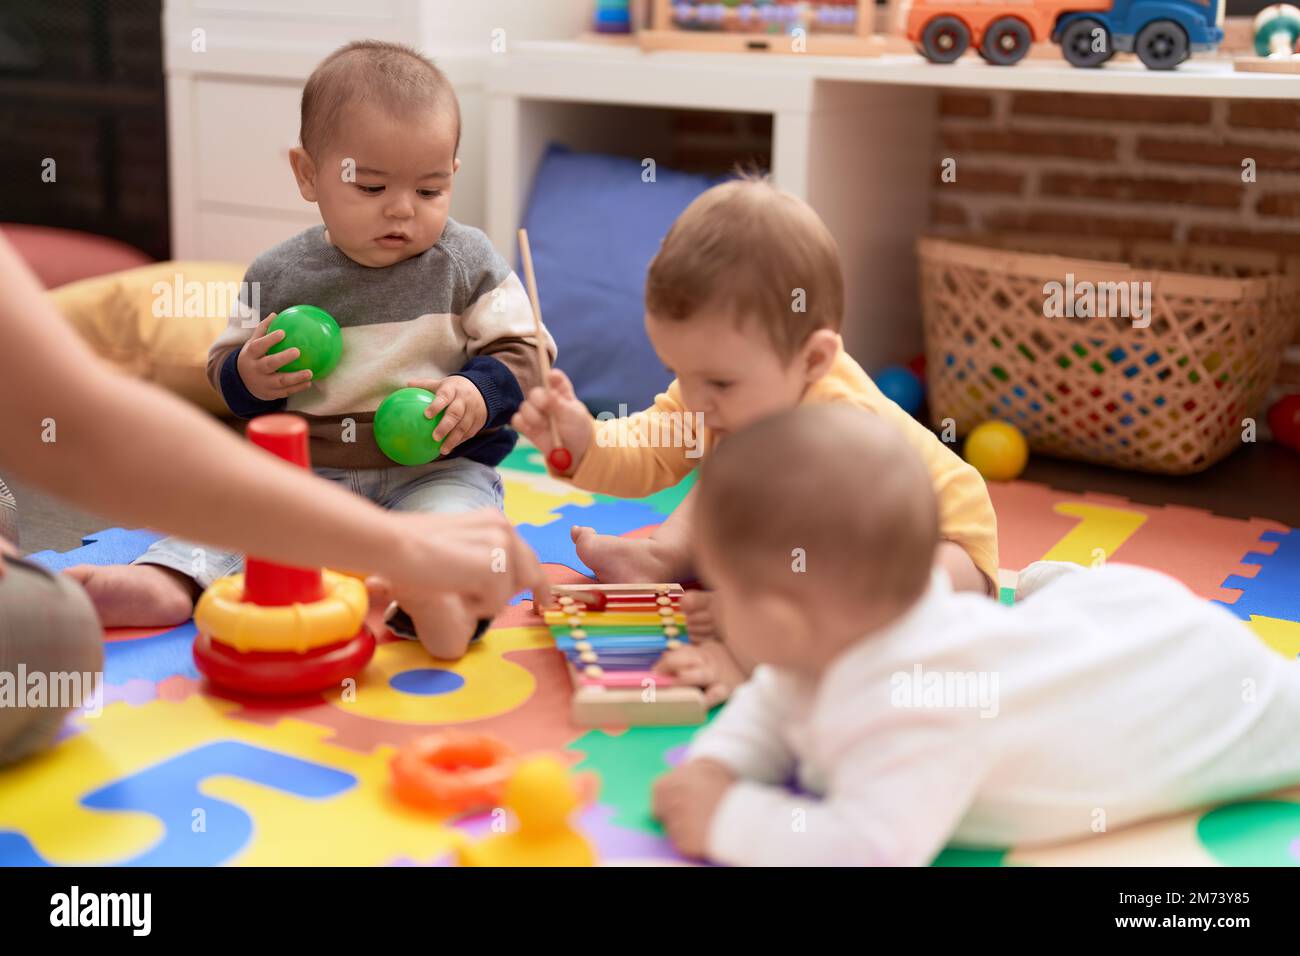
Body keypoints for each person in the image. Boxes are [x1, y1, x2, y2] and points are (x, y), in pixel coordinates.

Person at [652, 405, 1300, 865]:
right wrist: (718, 762)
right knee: (1068, 618)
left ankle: (1062, 588)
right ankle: (1057, 585)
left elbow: (869, 847)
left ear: (783, 620)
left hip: (1198, 686)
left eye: (719, 584)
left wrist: (727, 820)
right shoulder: (831, 642)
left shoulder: (918, 706)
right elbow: (777, 698)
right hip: (1108, 623)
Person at [0, 232, 545, 767]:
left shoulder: (468, 261)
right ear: (309, 175)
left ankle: (436, 604)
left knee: (456, 523)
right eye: (371, 184)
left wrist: (480, 392)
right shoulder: (281, 271)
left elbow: (525, 352)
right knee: (240, 522)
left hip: (438, 468)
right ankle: (165, 578)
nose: (399, 206)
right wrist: (250, 375)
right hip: (307, 473)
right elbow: (225, 373)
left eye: (429, 189)